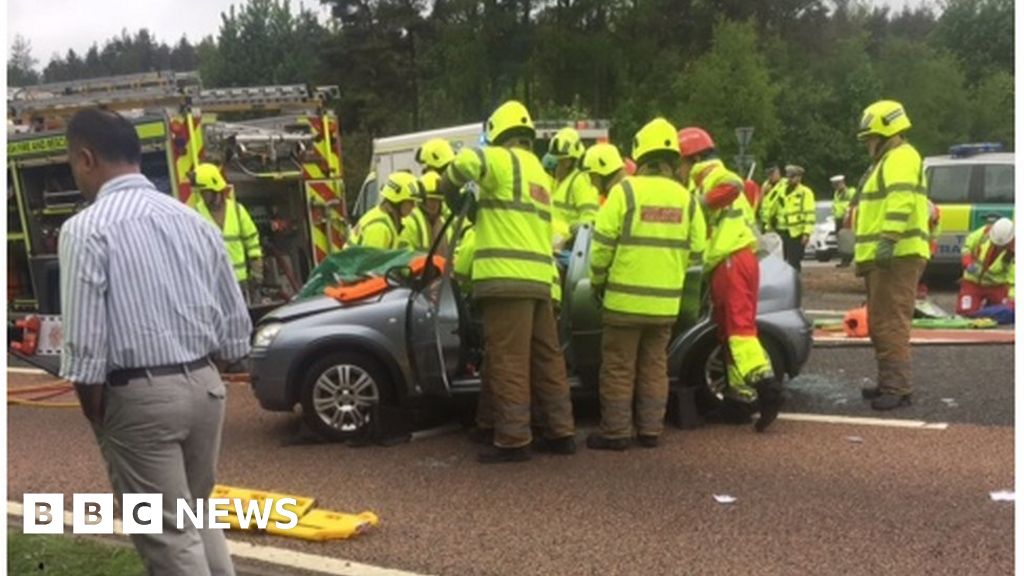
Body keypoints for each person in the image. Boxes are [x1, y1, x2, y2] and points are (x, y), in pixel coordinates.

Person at [59, 108, 249, 576]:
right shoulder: (195, 221)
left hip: (139, 395)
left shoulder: (86, 229)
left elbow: (84, 347)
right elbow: (236, 327)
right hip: (206, 385)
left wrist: (97, 413)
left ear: (86, 158)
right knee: (197, 512)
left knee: (168, 536)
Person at [439, 100, 575, 463]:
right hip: (539, 281)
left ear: (497, 133)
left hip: (505, 279)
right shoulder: (539, 175)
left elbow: (466, 163)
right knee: (547, 357)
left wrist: (449, 187)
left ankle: (513, 439)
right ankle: (561, 432)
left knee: (508, 359)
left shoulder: (499, 158)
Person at [586, 118, 697, 450]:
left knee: (619, 368)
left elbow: (602, 246)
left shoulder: (625, 191)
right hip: (664, 306)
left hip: (623, 302)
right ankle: (650, 431)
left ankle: (616, 433)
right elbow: (698, 251)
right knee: (654, 367)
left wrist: (598, 281)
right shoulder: (685, 198)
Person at [678, 126, 784, 432]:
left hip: (730, 260)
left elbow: (733, 184)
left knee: (738, 330)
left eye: (683, 162)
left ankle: (766, 388)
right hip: (742, 259)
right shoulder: (705, 178)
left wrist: (699, 204)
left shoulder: (708, 173)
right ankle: (741, 400)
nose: (681, 170)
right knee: (730, 331)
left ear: (694, 158)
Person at [854, 100, 931, 411]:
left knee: (890, 323)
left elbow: (900, 201)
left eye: (870, 138)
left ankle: (897, 388)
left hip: (896, 255)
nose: (868, 144)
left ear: (887, 133)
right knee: (882, 321)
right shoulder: (891, 159)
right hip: (888, 255)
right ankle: (890, 383)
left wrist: (888, 239)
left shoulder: (899, 158)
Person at [192, 163, 263, 298]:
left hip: (239, 282)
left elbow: (252, 241)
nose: (202, 196)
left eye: (204, 192)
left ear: (215, 189)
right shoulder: (196, 214)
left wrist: (257, 272)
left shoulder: (237, 210)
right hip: (214, 284)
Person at [956, 217, 1015, 316]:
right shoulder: (983, 233)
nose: (998, 247)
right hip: (972, 283)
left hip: (997, 287)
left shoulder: (1014, 251)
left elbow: (1013, 281)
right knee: (966, 314)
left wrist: (1012, 299)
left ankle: (990, 307)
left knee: (1002, 314)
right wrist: (968, 262)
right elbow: (967, 247)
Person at [549, 127, 600, 233]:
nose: (558, 166)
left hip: (569, 246)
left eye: (561, 161)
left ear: (570, 161)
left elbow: (590, 217)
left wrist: (574, 233)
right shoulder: (559, 182)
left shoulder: (580, 180)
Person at [351, 171, 417, 249]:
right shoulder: (379, 228)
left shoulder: (383, 217)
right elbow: (373, 260)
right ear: (397, 201)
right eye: (410, 201)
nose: (414, 206)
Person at [778, 165, 816, 271]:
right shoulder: (781, 191)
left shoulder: (805, 193)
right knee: (783, 260)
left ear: (799, 178)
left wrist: (806, 233)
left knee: (794, 262)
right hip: (782, 231)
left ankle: (795, 283)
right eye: (789, 176)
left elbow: (810, 214)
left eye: (793, 177)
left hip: (797, 233)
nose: (790, 179)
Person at [400, 172, 449, 252]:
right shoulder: (410, 222)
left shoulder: (446, 221)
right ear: (421, 201)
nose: (434, 204)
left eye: (437, 200)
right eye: (431, 200)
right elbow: (406, 253)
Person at [830, 174, 855, 268]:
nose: (836, 186)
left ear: (842, 183)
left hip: (847, 218)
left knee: (847, 239)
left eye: (837, 184)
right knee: (841, 239)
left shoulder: (850, 192)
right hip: (838, 219)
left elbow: (853, 205)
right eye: (834, 184)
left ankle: (847, 260)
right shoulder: (836, 193)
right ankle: (844, 259)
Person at [758, 164, 784, 230]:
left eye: (772, 174)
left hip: (778, 221)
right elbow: (761, 200)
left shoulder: (784, 184)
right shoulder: (766, 184)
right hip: (765, 221)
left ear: (778, 173)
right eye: (769, 175)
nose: (770, 177)